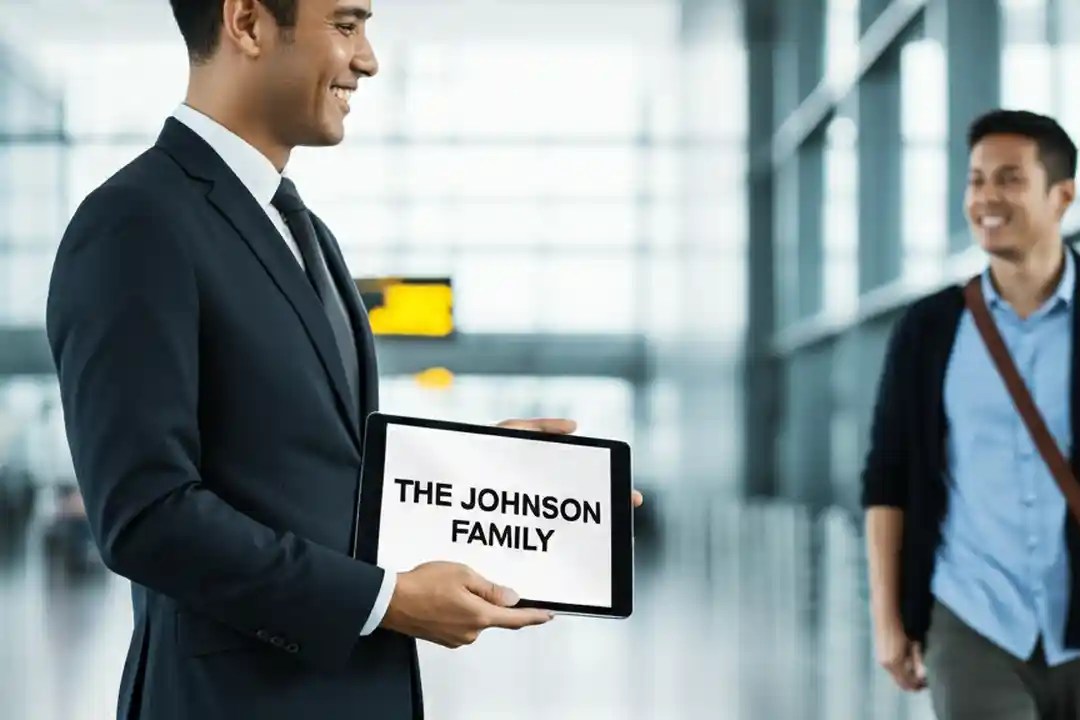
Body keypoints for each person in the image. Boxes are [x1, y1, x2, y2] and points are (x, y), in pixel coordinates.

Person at [44, 1, 641, 718]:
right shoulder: (136, 222)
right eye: (347, 25)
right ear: (248, 23)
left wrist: (481, 478)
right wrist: (384, 600)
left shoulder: (304, 232)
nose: (368, 60)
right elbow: (145, 514)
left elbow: (316, 467)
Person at [861, 109, 1080, 720]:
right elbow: (887, 481)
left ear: (1062, 196)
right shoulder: (928, 330)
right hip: (970, 616)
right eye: (975, 180)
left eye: (1009, 179)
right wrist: (888, 618)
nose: (986, 198)